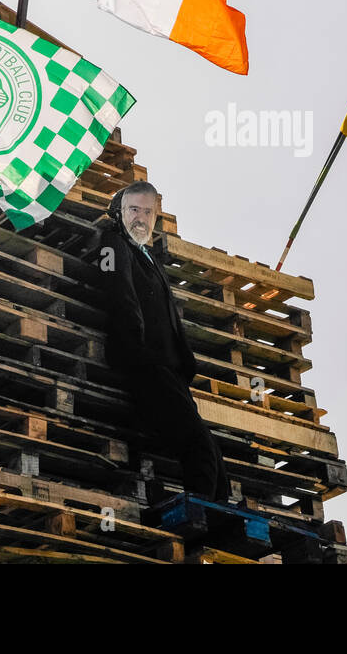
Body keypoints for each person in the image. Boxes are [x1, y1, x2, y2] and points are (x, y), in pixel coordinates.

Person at [96, 181, 231, 503]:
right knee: (197, 445)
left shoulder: (151, 258)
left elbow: (169, 313)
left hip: (171, 368)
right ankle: (198, 517)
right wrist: (137, 351)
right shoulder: (111, 244)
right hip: (146, 363)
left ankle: (219, 520)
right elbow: (119, 294)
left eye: (147, 212)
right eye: (133, 210)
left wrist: (186, 361)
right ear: (119, 213)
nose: (141, 218)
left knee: (213, 454)